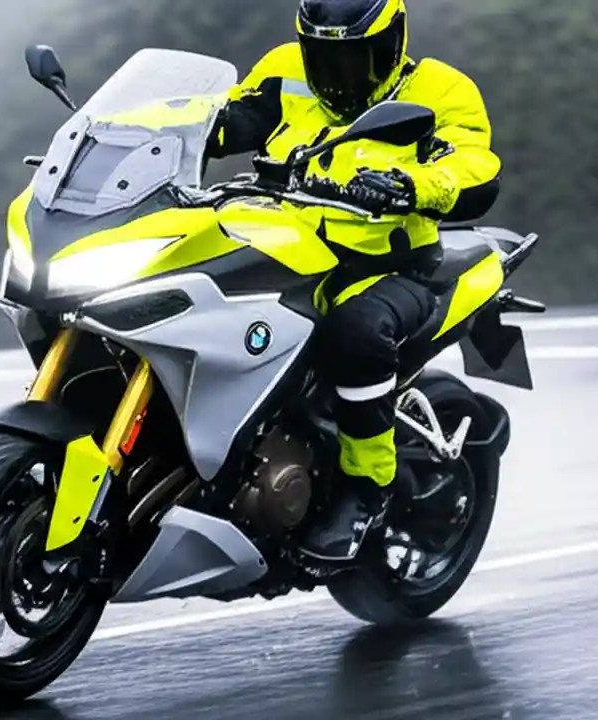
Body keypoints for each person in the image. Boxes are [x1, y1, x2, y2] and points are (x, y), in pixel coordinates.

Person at [206, 0, 502, 561]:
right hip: (287, 253)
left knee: (355, 331)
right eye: (323, 57)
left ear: (391, 42)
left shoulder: (440, 90)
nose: (337, 74)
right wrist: (145, 130)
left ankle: (367, 488)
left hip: (388, 268)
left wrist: (412, 186)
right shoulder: (283, 70)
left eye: (355, 58)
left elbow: (473, 166)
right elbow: (228, 118)